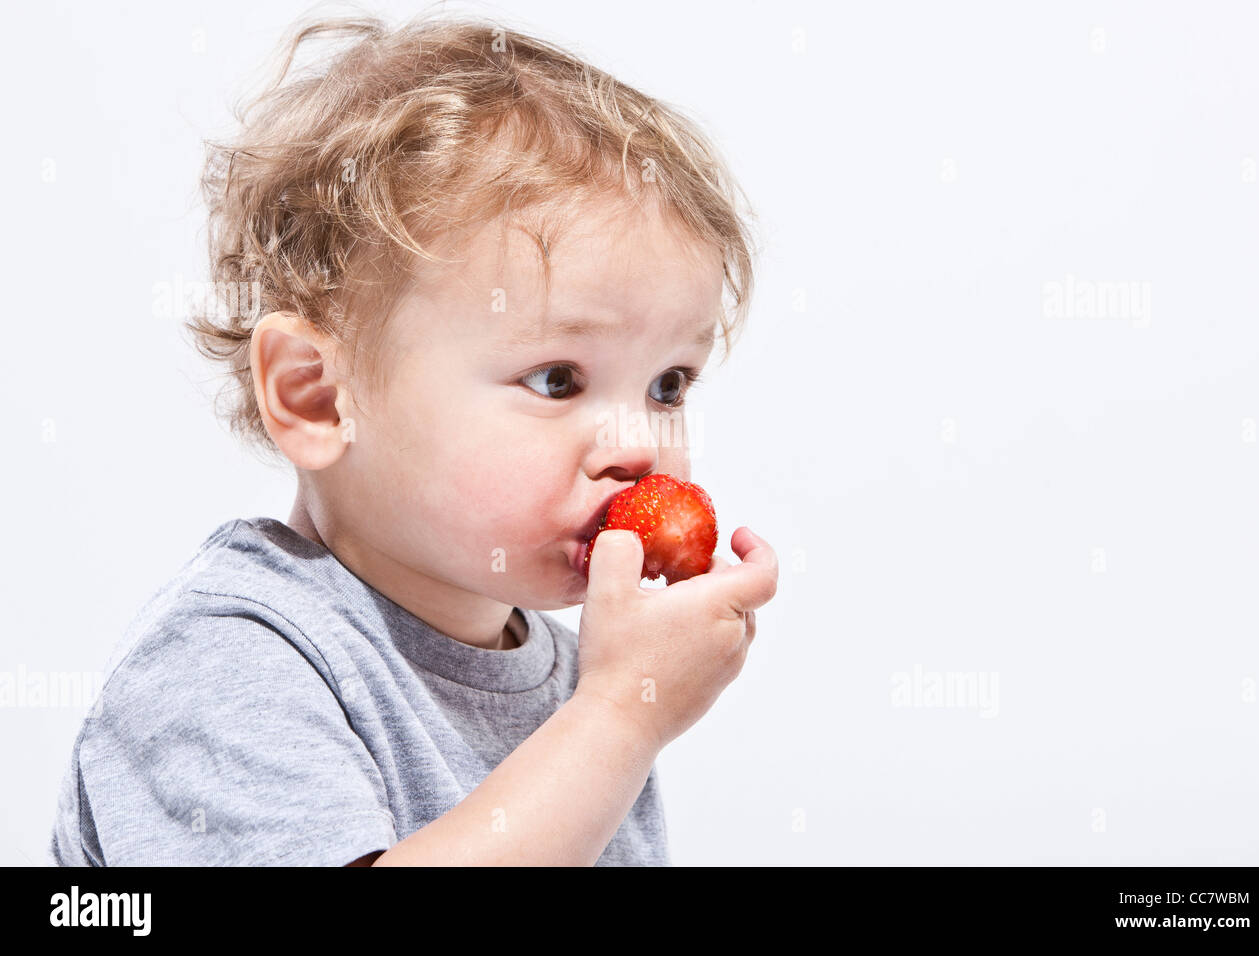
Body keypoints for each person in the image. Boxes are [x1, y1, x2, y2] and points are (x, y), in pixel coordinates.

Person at [48, 12, 778, 866]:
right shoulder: (230, 663)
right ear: (319, 398)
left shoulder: (581, 678)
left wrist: (613, 706)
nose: (638, 446)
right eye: (557, 380)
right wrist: (619, 718)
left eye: (667, 385)